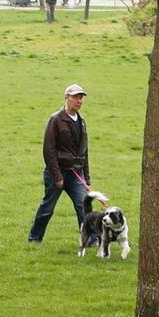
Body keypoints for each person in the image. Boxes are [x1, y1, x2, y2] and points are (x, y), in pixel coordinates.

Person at [29, 84, 92, 244]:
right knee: (47, 208)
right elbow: (48, 150)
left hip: (77, 173)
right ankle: (34, 238)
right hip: (58, 173)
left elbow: (84, 152)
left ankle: (90, 239)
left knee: (83, 207)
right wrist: (57, 176)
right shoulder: (56, 119)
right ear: (67, 98)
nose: (79, 101)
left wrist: (87, 179)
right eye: (76, 97)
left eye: (81, 97)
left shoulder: (82, 121)